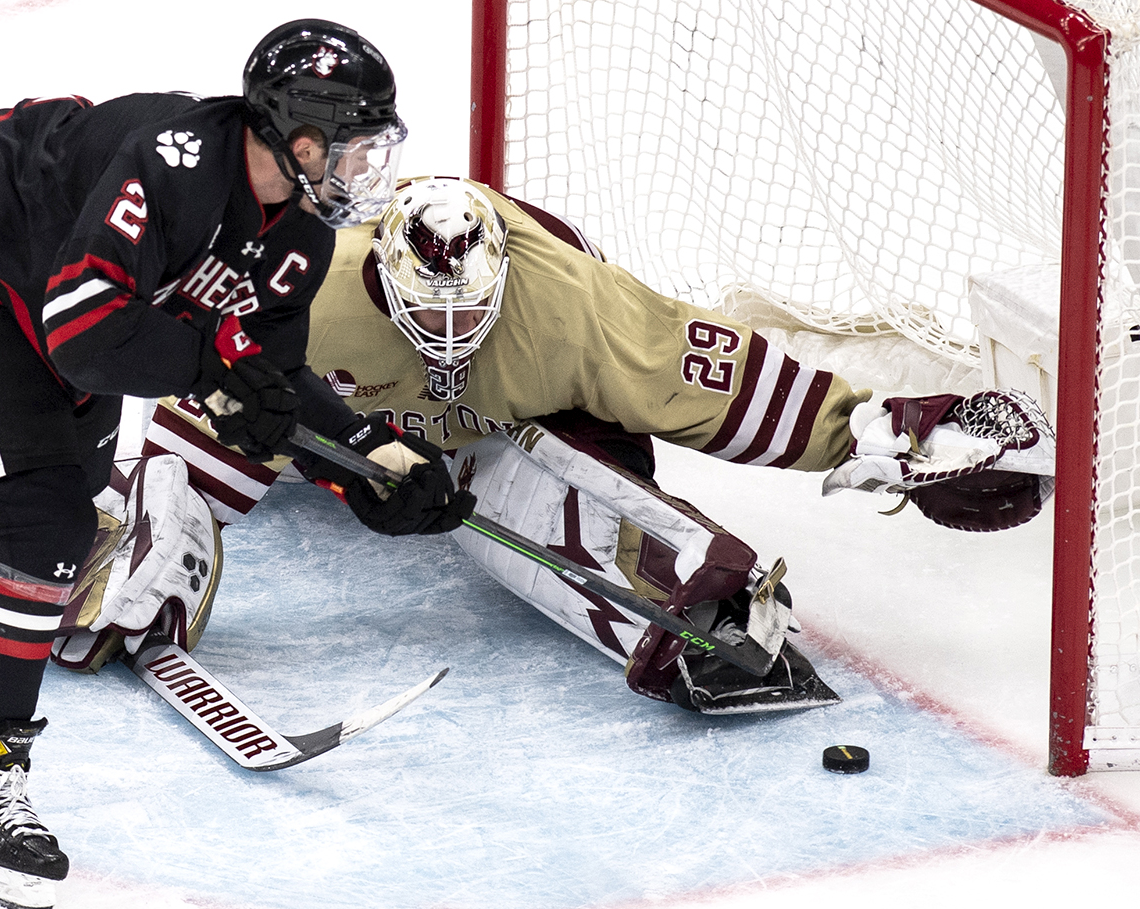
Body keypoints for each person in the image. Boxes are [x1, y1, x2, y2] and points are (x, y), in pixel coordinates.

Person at [0, 21, 471, 909]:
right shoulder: (174, 164)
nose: (364, 168)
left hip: (65, 309)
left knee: (64, 495)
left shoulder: (300, 239)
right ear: (298, 137)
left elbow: (268, 383)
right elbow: (84, 335)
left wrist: (367, 462)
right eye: (351, 146)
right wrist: (215, 369)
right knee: (46, 526)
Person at [114, 177, 1054, 717]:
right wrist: (161, 531)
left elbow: (718, 382)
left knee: (562, 490)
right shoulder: (311, 292)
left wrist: (874, 432)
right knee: (257, 425)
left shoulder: (574, 312)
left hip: (532, 403)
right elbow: (212, 394)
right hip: (375, 406)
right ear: (384, 284)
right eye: (429, 315)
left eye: (471, 314)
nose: (451, 334)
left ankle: (706, 620)